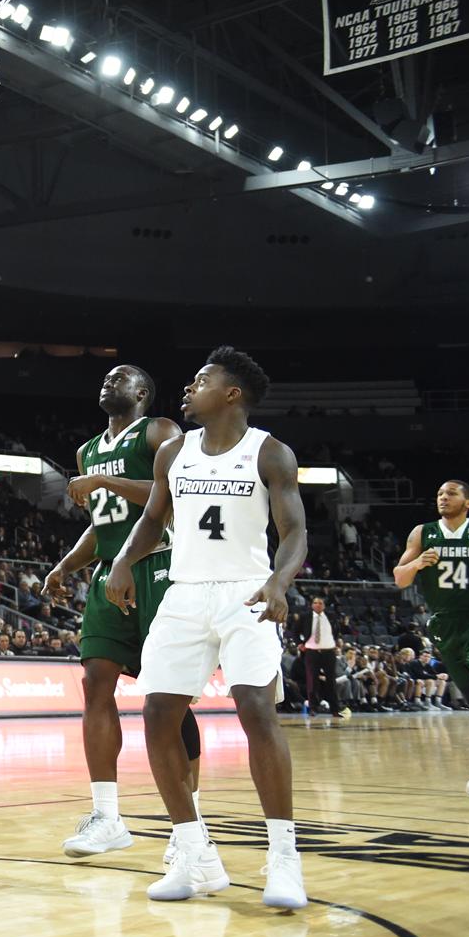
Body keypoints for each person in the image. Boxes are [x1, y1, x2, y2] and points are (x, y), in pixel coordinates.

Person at [106, 346, 307, 908]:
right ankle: (195, 854)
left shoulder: (270, 453)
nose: (189, 388)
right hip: (185, 591)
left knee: (255, 709)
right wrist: (123, 561)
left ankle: (284, 861)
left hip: (246, 590)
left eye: (202, 380)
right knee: (157, 713)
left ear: (233, 393)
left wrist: (278, 582)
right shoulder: (173, 451)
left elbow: (294, 532)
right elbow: (152, 519)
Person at [42, 365, 200, 858]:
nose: (108, 382)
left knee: (168, 698)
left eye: (120, 378)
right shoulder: (87, 450)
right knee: (95, 684)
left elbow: (170, 501)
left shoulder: (161, 431)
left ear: (142, 393)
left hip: (161, 568)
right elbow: (101, 524)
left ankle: (188, 823)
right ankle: (107, 817)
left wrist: (104, 479)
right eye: (104, 377)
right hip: (109, 574)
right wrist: (65, 566)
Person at [393, 479, 469, 801]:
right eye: (439, 494)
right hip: (445, 624)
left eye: (451, 493)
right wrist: (419, 563)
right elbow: (399, 577)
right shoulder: (422, 533)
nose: (443, 498)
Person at [290, 596, 349, 718]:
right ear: (312, 605)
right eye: (315, 603)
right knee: (312, 681)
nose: (317, 605)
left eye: (320, 603)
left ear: (324, 605)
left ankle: (335, 709)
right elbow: (294, 631)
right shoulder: (305, 616)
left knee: (331, 681)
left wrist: (333, 641)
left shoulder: (331, 616)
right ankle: (313, 708)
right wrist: (299, 644)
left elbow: (336, 630)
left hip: (328, 652)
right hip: (312, 651)